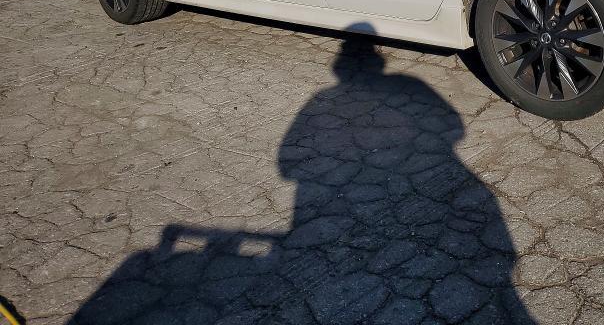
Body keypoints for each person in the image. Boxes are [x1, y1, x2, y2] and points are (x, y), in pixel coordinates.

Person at [70, 35, 533, 324]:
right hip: (467, 196)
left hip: (333, 202)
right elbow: (454, 128)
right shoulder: (409, 89)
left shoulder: (330, 98)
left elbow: (286, 164)